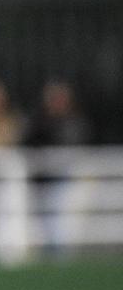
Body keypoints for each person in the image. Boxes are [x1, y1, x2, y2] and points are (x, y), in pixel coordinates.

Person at [24, 79, 91, 256]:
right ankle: (49, 250)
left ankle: (59, 252)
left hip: (65, 174)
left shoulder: (74, 121)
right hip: (42, 175)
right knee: (44, 215)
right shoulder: (38, 119)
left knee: (60, 214)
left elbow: (76, 147)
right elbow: (29, 142)